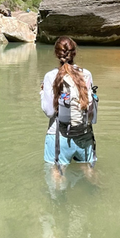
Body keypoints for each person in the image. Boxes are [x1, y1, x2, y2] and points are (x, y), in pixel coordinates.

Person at [40, 36, 97, 184]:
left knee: (57, 174)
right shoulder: (87, 74)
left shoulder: (50, 76)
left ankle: (58, 204)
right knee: (89, 172)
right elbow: (89, 109)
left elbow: (49, 112)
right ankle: (98, 193)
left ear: (56, 54)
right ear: (74, 53)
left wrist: (42, 92)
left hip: (59, 137)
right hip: (84, 134)